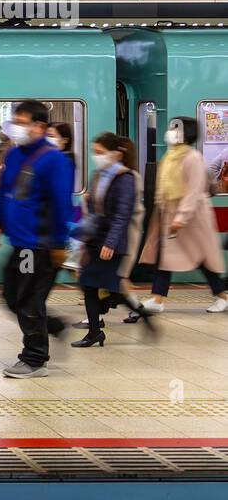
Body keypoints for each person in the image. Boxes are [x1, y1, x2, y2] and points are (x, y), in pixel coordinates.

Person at [0, 100, 75, 378]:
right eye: (16, 121)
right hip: (20, 242)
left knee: (28, 300)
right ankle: (54, 326)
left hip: (40, 245)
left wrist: (59, 244)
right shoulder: (14, 155)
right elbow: (5, 193)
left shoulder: (54, 159)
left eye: (23, 122)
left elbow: (61, 204)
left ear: (40, 126)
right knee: (11, 296)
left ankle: (35, 359)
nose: (17, 127)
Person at [137, 116, 228, 313]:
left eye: (175, 129)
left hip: (192, 217)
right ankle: (157, 298)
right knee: (166, 256)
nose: (170, 132)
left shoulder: (192, 157)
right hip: (170, 215)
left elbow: (194, 191)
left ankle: (222, 295)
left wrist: (181, 217)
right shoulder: (171, 156)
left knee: (201, 258)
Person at [71, 132, 153, 347]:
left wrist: (111, 242)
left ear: (116, 154)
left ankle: (98, 331)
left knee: (102, 286)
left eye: (100, 152)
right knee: (98, 286)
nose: (96, 157)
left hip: (111, 243)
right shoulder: (98, 175)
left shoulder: (125, 178)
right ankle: (98, 330)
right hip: (95, 238)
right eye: (94, 152)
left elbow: (122, 214)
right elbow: (95, 210)